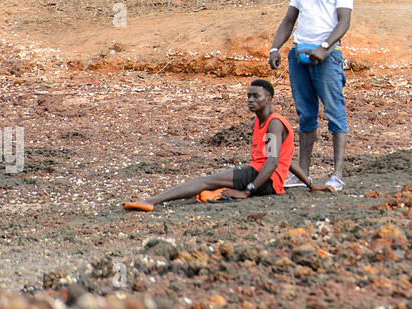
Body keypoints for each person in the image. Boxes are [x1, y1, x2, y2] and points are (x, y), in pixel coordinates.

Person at [122, 79, 330, 211]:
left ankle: (153, 201)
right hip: (263, 178)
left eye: (256, 96)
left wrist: (248, 190)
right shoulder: (261, 121)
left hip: (260, 178)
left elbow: (273, 162)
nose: (250, 100)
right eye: (248, 96)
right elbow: (287, 160)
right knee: (213, 184)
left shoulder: (274, 123)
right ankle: (159, 199)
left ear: (269, 99)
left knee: (205, 181)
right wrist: (310, 184)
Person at [267, 0, 353, 191]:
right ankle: (302, 172)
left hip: (327, 56)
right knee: (306, 114)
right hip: (299, 55)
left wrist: (325, 47)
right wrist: (275, 47)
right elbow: (289, 19)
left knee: (334, 112)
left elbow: (344, 21)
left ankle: (337, 174)